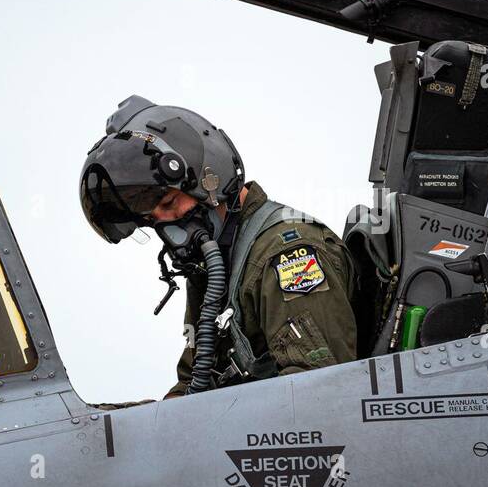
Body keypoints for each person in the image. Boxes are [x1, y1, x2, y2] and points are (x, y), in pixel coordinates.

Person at [79, 96, 357, 398]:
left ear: (210, 177)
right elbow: (192, 387)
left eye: (170, 203)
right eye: (151, 220)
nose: (169, 228)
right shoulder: (214, 265)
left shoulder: (288, 255)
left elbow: (319, 393)